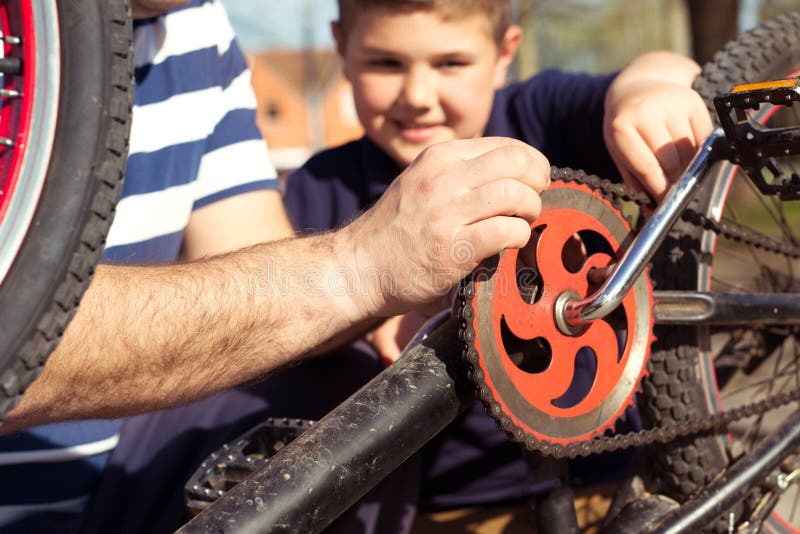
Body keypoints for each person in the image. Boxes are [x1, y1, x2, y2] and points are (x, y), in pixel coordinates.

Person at [0, 1, 550, 532]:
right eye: (386, 62)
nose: (419, 95)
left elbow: (264, 307)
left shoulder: (195, 24)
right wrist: (358, 268)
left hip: (118, 478)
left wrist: (386, 299)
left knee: (343, 385)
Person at [280, 0, 713, 525]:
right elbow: (289, 327)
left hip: (604, 479)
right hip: (438, 505)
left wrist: (648, 93)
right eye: (385, 63)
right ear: (341, 48)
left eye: (451, 63)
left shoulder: (538, 115)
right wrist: (377, 312)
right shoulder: (319, 186)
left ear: (504, 52)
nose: (417, 96)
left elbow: (661, 67)